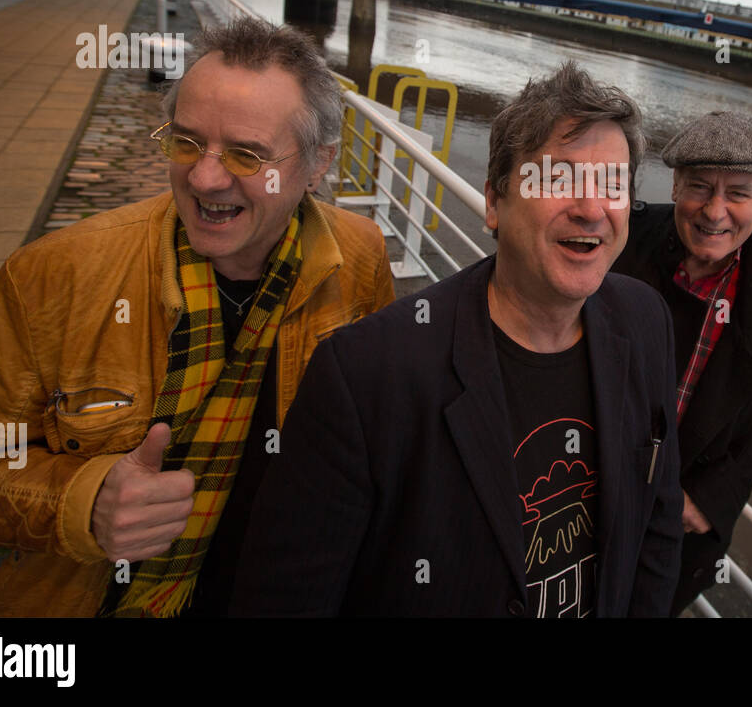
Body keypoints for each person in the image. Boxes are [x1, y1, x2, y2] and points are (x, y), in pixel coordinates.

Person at [0, 16, 395, 617]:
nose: (203, 177)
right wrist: (84, 503)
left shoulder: (360, 257)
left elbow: (374, 428)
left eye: (247, 155)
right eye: (187, 141)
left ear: (318, 161)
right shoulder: (49, 278)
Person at [230, 61, 682, 617]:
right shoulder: (368, 374)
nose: (590, 209)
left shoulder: (645, 321)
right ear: (495, 202)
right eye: (557, 179)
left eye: (611, 185)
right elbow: (284, 599)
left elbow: (657, 523)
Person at [611, 111, 752, 615]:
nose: (715, 212)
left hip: (678, 527)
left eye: (737, 193)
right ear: (675, 184)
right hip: (580, 486)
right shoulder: (622, 235)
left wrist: (712, 497)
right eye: (700, 187)